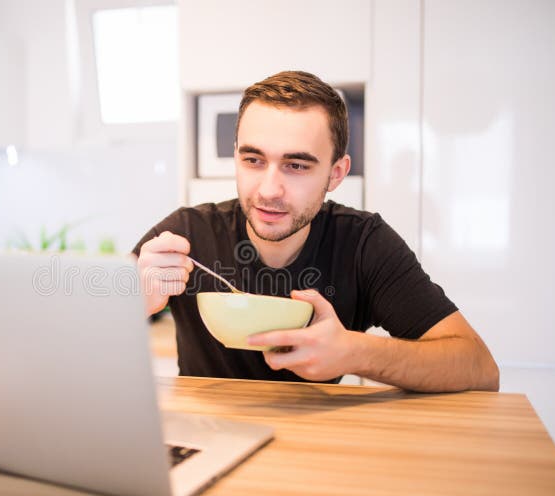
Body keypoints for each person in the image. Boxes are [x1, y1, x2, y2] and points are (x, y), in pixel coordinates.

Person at [132, 71, 499, 393]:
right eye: (253, 160)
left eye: (295, 165)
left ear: (336, 174)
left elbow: (480, 368)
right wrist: (132, 303)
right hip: (204, 440)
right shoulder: (187, 233)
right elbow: (82, 338)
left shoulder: (362, 244)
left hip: (318, 453)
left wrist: (354, 352)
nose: (269, 190)